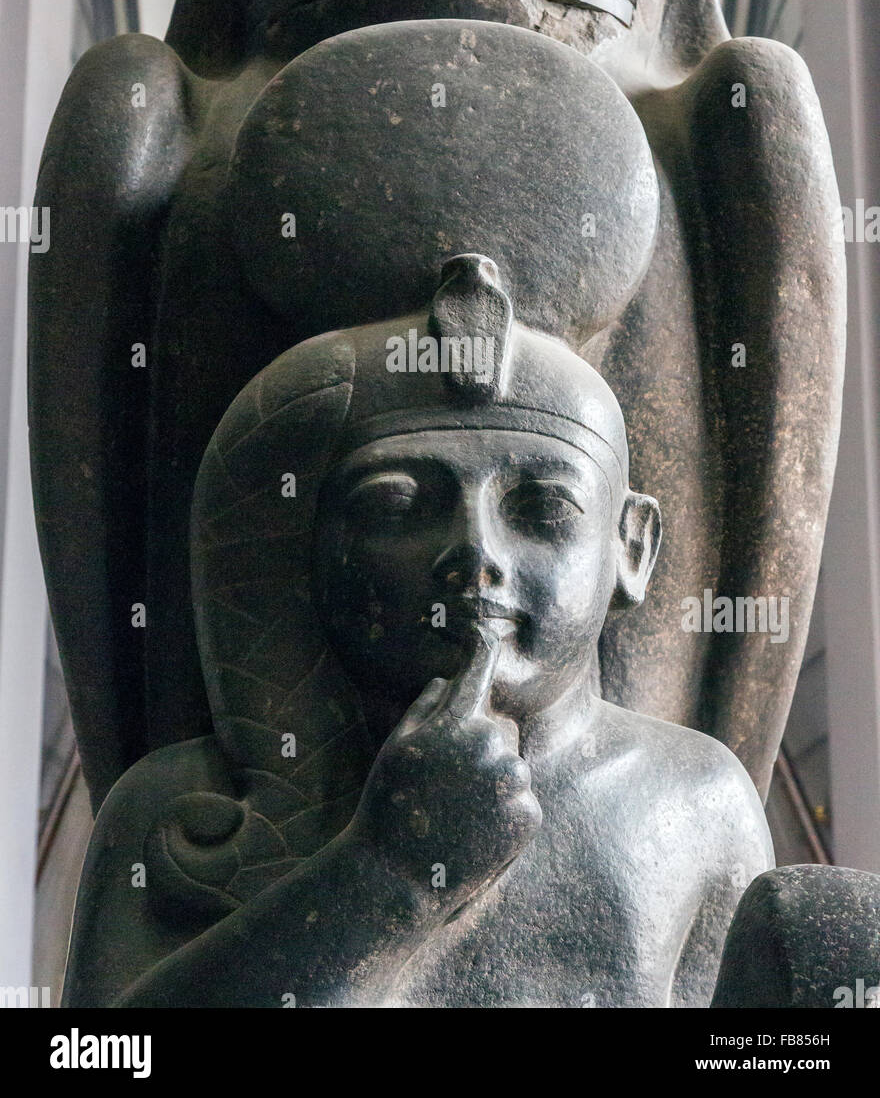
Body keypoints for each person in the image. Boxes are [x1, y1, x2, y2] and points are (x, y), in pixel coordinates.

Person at [63, 256, 771, 1007]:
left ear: (632, 547)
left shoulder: (696, 803)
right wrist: (382, 878)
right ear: (308, 546)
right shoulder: (173, 806)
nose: (475, 554)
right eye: (397, 506)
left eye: (543, 509)